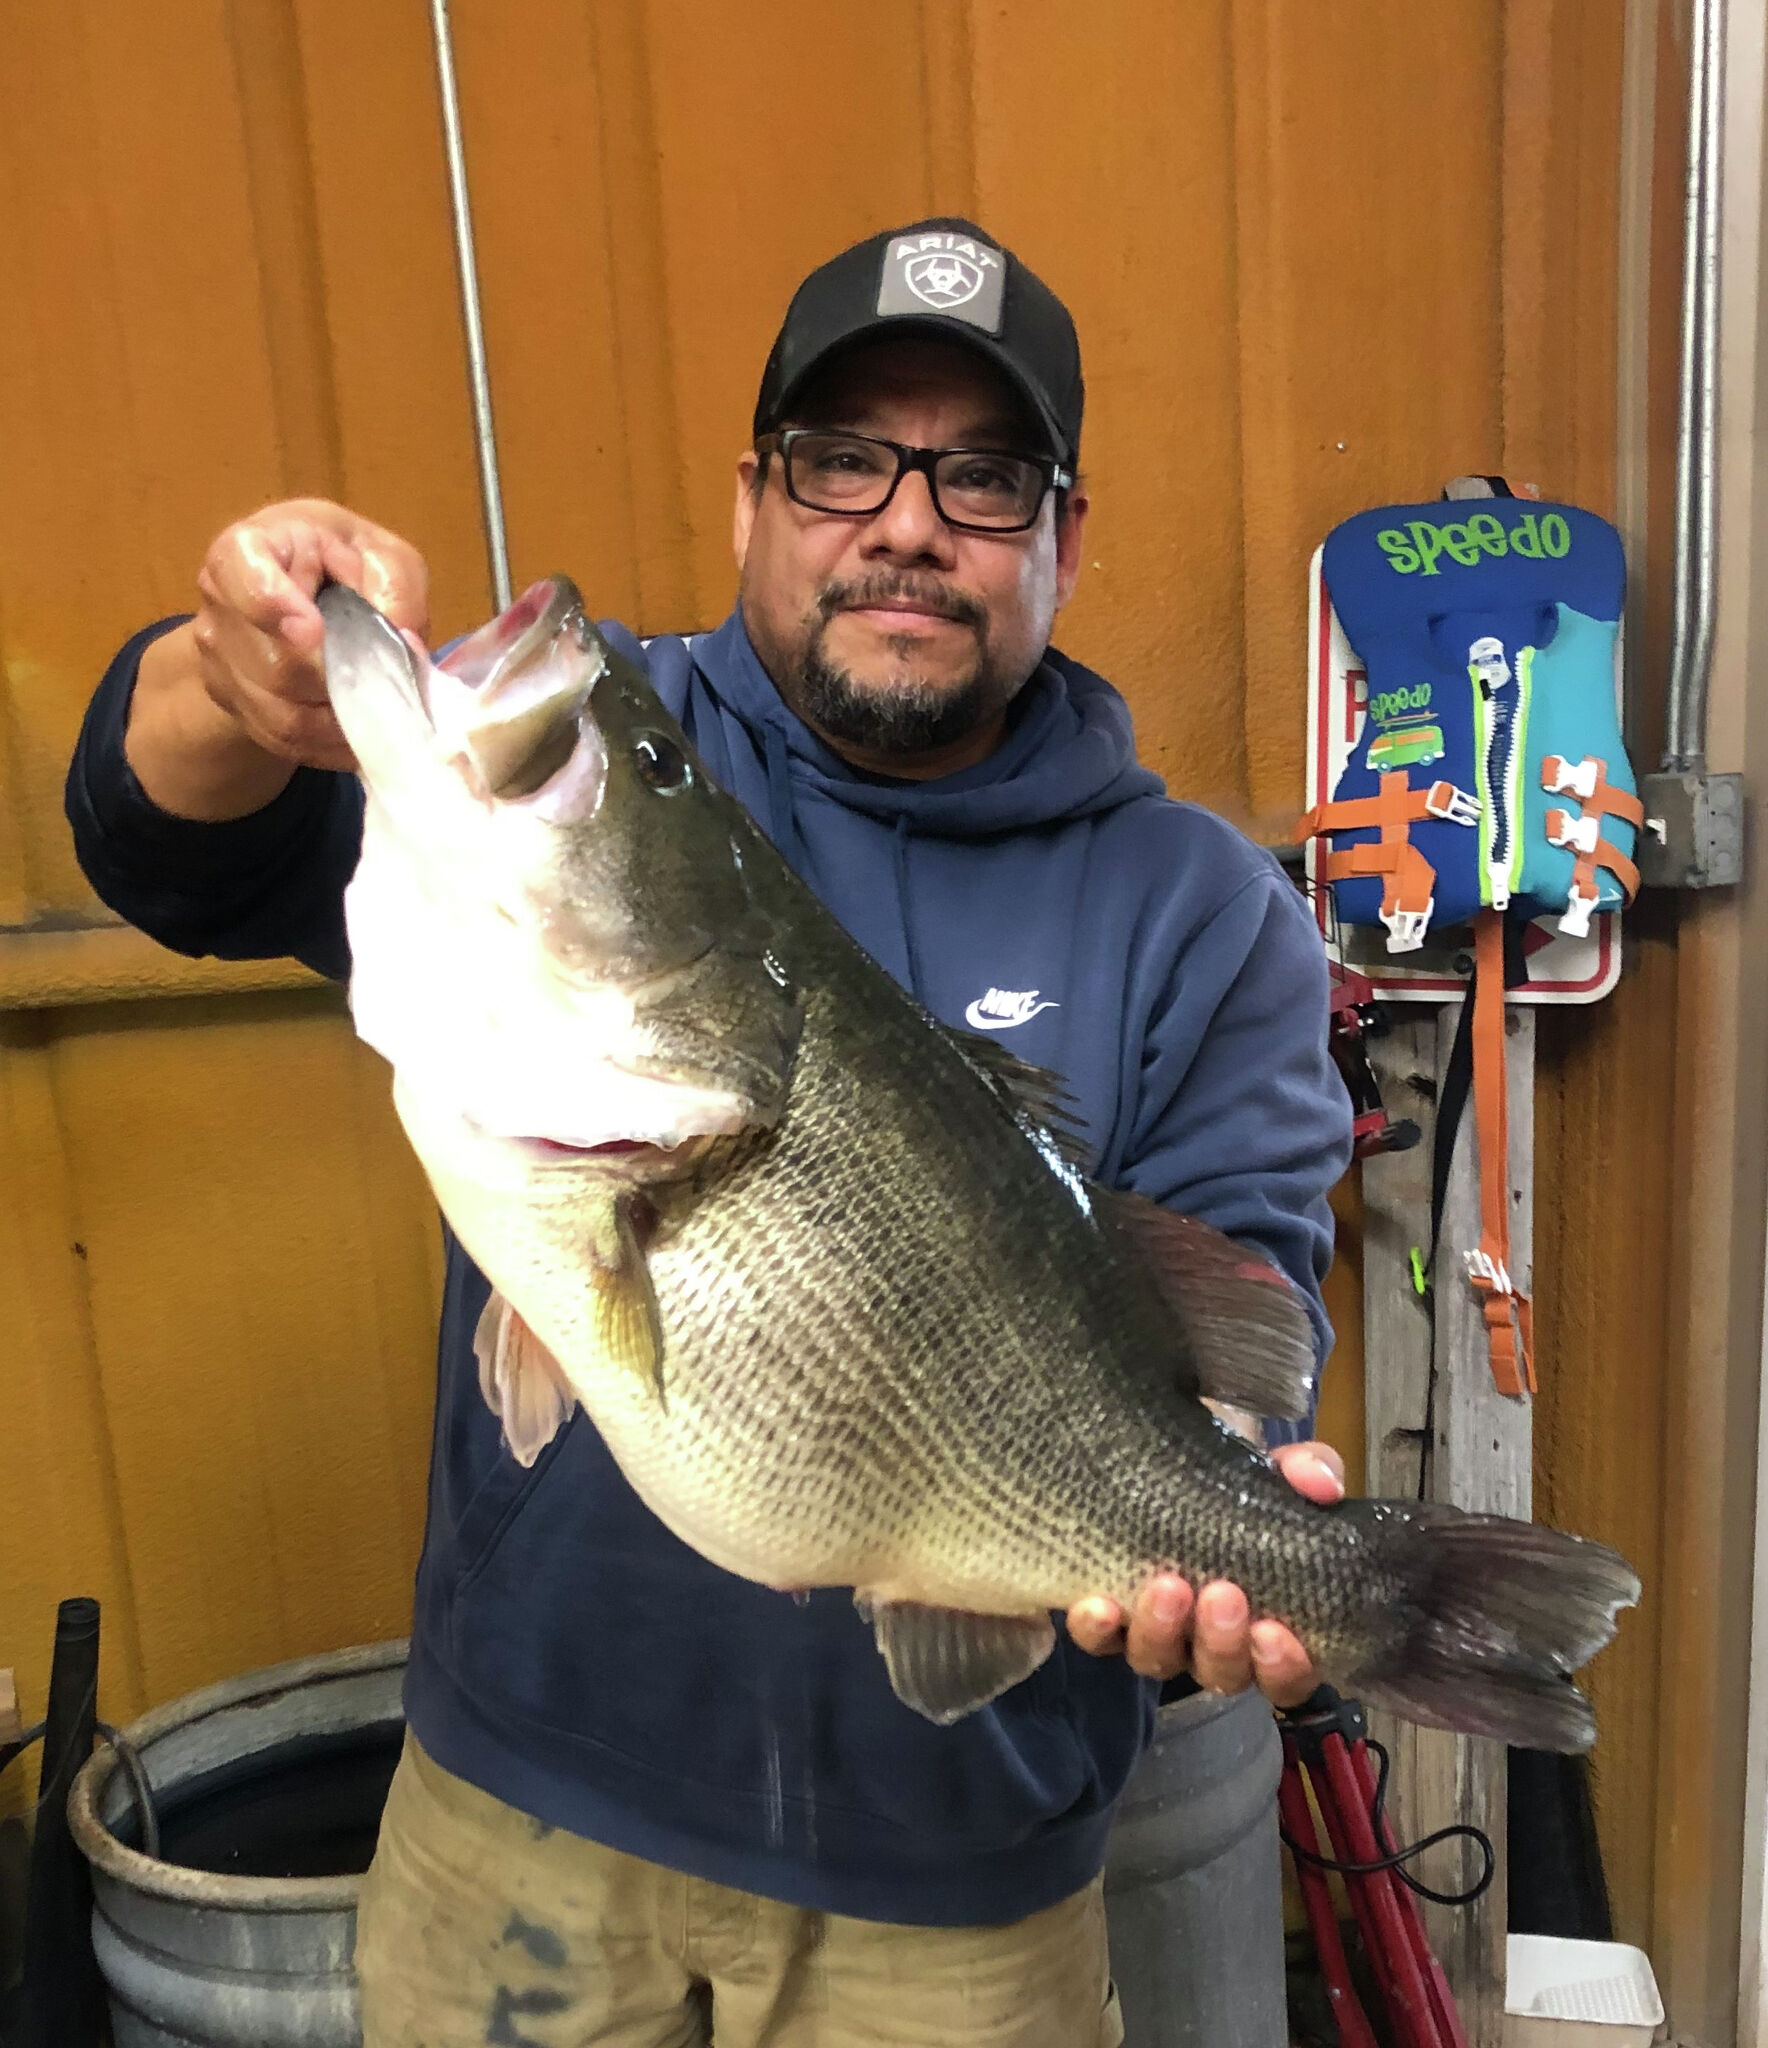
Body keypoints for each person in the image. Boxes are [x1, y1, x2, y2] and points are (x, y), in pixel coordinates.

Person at [67, 218, 1353, 2047]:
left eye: (982, 477)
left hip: (959, 1901)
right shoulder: (613, 745)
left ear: (1064, 541)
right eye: (844, 460)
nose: (905, 522)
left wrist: (1230, 1527)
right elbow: (179, 848)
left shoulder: (1208, 907)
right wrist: (225, 678)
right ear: (754, 499)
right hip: (519, 1817)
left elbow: (1235, 1321)